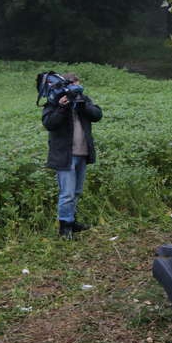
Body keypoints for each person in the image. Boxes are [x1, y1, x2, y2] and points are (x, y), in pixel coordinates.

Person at [42, 73, 103, 239]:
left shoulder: (84, 99)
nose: (76, 90)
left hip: (82, 153)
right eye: (73, 86)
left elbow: (97, 115)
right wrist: (62, 108)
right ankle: (64, 229)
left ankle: (72, 221)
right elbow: (49, 124)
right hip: (65, 155)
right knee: (67, 193)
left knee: (76, 192)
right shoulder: (54, 102)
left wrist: (82, 104)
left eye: (78, 86)